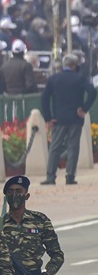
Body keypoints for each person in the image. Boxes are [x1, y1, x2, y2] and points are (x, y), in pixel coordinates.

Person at [40, 53, 96, 186]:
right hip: (75, 118)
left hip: (58, 119)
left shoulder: (53, 79)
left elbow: (44, 98)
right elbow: (93, 92)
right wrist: (84, 108)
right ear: (74, 65)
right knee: (73, 147)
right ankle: (70, 176)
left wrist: (48, 117)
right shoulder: (79, 78)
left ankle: (50, 176)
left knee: (55, 147)